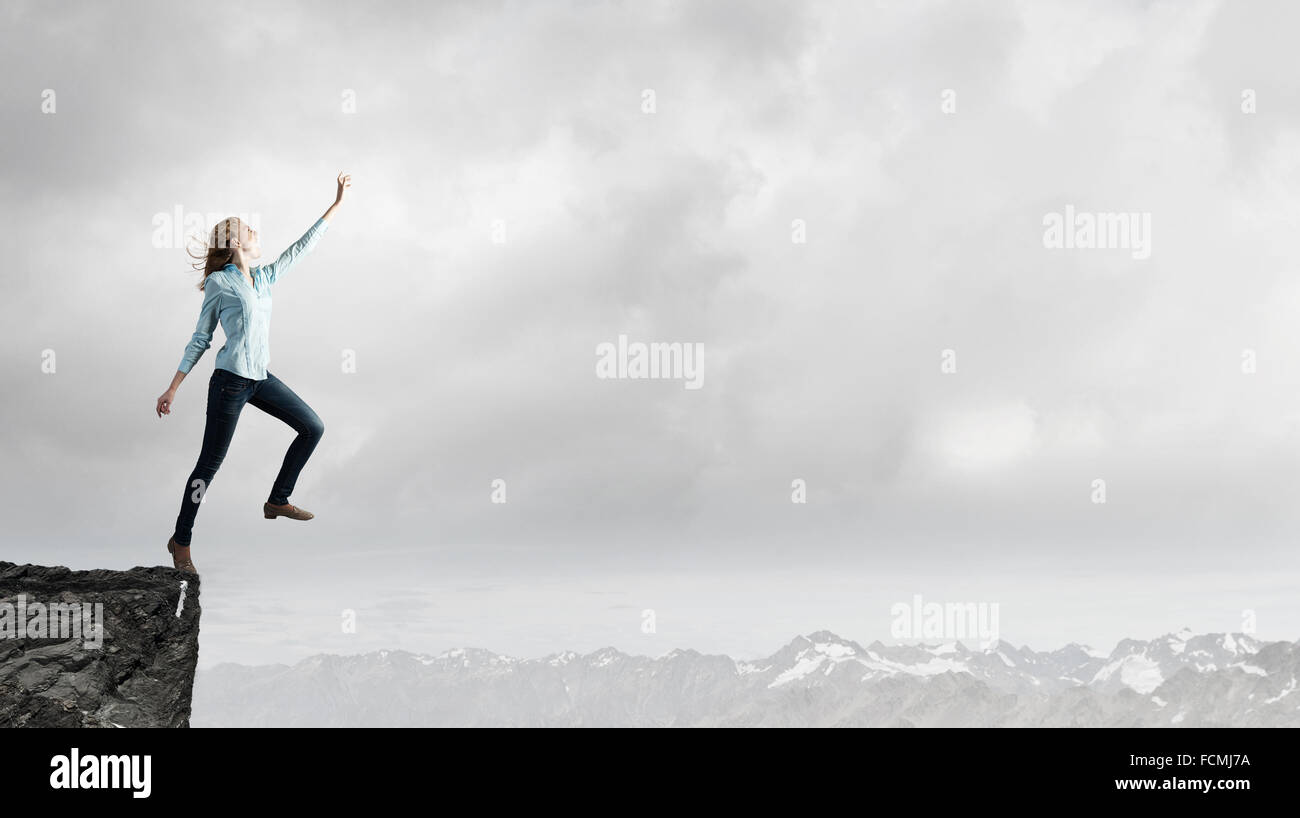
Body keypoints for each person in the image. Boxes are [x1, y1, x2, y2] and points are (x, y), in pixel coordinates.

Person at [156, 172, 352, 574]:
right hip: (229, 383)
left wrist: (336, 205)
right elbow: (201, 338)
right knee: (208, 467)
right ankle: (181, 541)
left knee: (313, 427)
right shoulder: (219, 284)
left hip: (260, 378)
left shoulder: (263, 277)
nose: (256, 232)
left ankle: (277, 500)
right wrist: (173, 387)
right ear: (234, 242)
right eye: (248, 229)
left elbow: (302, 248)